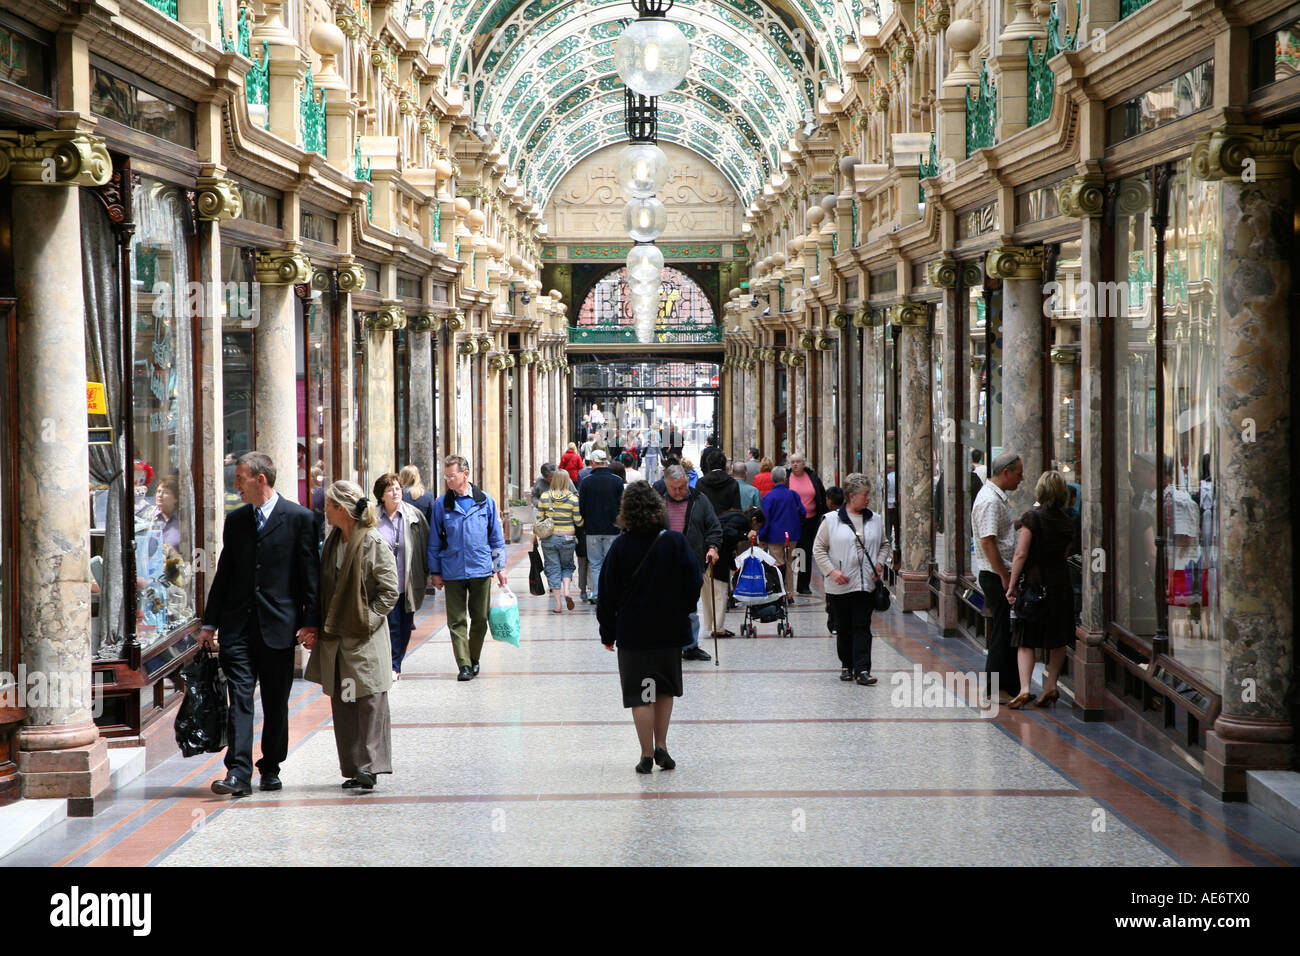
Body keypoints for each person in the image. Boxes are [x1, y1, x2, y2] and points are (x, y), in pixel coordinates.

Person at [199, 451, 320, 796]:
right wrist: (210, 623)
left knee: (275, 700)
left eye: (239, 478)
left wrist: (311, 622)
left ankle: (270, 766)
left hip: (279, 627)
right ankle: (238, 772)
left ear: (260, 479)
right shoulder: (236, 522)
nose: (235, 485)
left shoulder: (300, 519)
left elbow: (310, 576)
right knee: (239, 698)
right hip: (237, 627)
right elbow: (224, 575)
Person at [597, 481, 702, 773]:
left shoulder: (620, 546)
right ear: (658, 509)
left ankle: (645, 754)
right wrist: (683, 609)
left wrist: (608, 632)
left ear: (626, 511)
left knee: (642, 693)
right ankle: (662, 747)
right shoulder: (674, 541)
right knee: (664, 689)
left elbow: (606, 594)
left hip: (634, 633)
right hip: (669, 630)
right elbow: (694, 581)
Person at [303, 481, 399, 789]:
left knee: (370, 700)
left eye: (328, 506)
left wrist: (367, 621)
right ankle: (355, 767)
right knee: (344, 702)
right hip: (337, 637)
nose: (324, 510)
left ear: (341, 509)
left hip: (365, 636)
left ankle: (371, 767)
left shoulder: (372, 541)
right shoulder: (332, 541)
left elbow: (389, 591)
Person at [426, 454, 508, 681]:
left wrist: (500, 567)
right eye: (446, 476)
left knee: (480, 618)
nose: (448, 480)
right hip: (452, 568)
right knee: (456, 620)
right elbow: (433, 542)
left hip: (481, 568)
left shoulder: (485, 501)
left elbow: (496, 538)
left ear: (466, 474)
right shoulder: (441, 504)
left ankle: (473, 658)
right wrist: (435, 572)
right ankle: (463, 665)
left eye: (452, 476)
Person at [1003, 470, 1076, 710]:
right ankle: (1051, 686)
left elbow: (1020, 553)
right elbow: (1065, 554)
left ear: (1040, 492)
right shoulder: (1067, 520)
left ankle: (1025, 690)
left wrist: (1012, 585)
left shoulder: (1032, 518)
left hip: (1035, 584)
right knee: (1057, 639)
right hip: (1060, 585)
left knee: (1026, 639)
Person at [814, 473, 886, 685]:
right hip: (840, 584)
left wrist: (879, 562)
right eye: (865, 494)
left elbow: (885, 544)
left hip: (865, 584)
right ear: (852, 496)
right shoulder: (831, 520)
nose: (868, 498)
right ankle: (847, 665)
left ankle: (862, 669)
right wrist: (831, 571)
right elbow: (818, 549)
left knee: (862, 626)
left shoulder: (875, 519)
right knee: (844, 627)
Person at [972, 451, 1025, 701]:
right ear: (1006, 472)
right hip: (995, 575)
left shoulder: (995, 498)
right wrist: (1005, 575)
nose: (1021, 478)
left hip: (999, 572)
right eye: (1018, 473)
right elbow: (988, 542)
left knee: (1006, 630)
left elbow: (998, 533)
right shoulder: (990, 501)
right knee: (1001, 632)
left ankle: (1011, 686)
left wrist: (1018, 523)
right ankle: (995, 689)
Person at [658, 465, 721, 661]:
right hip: (663, 562)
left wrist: (713, 547)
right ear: (666, 485)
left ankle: (690, 646)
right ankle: (666, 643)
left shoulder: (699, 500)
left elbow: (714, 527)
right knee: (664, 604)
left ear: (687, 482)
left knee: (690, 607)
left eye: (682, 487)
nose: (678, 492)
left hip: (691, 561)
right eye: (673, 488)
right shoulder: (657, 501)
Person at [375, 472, 430, 679]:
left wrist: (428, 573)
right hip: (381, 584)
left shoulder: (414, 516)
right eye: (390, 489)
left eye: (398, 488)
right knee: (389, 625)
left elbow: (425, 545)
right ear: (381, 495)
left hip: (407, 581)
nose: (396, 492)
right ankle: (389, 664)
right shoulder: (373, 518)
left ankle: (396, 665)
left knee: (404, 624)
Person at [696, 447, 741, 638]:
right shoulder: (732, 484)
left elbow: (697, 510)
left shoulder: (700, 483)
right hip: (725, 535)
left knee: (707, 581)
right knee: (722, 581)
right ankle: (719, 625)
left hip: (705, 535)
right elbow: (737, 511)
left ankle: (710, 622)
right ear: (724, 465)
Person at [578, 449, 623, 604]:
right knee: (610, 562)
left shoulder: (586, 482)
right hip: (613, 529)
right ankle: (610, 594)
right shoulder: (617, 481)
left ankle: (597, 594)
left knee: (595, 563)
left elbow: (581, 506)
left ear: (593, 462)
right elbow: (621, 505)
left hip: (592, 530)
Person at [537, 469, 582, 613]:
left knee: (552, 568)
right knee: (567, 566)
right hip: (568, 538)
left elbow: (539, 519)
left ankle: (557, 604)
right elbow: (578, 521)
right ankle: (567, 591)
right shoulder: (574, 499)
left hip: (549, 539)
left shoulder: (544, 497)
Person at [760, 466, 805, 602]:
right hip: (792, 534)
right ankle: (790, 593)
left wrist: (762, 536)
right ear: (785, 479)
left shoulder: (768, 497)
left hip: (774, 535)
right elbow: (803, 512)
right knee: (790, 563)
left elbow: (765, 519)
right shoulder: (793, 495)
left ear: (773, 480)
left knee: (777, 564)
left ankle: (779, 592)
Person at [787, 453, 828, 595]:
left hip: (810, 520)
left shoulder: (812, 477)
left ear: (803, 463)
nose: (795, 464)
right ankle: (788, 584)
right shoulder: (787, 478)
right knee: (791, 552)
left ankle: (803, 585)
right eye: (793, 462)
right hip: (791, 521)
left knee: (805, 553)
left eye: (798, 462)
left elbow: (821, 495)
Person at [823, 486, 845, 635]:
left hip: (832, 562)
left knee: (832, 595)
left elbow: (820, 545)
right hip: (845, 561)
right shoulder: (848, 516)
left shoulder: (827, 519)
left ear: (829, 502)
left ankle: (834, 623)